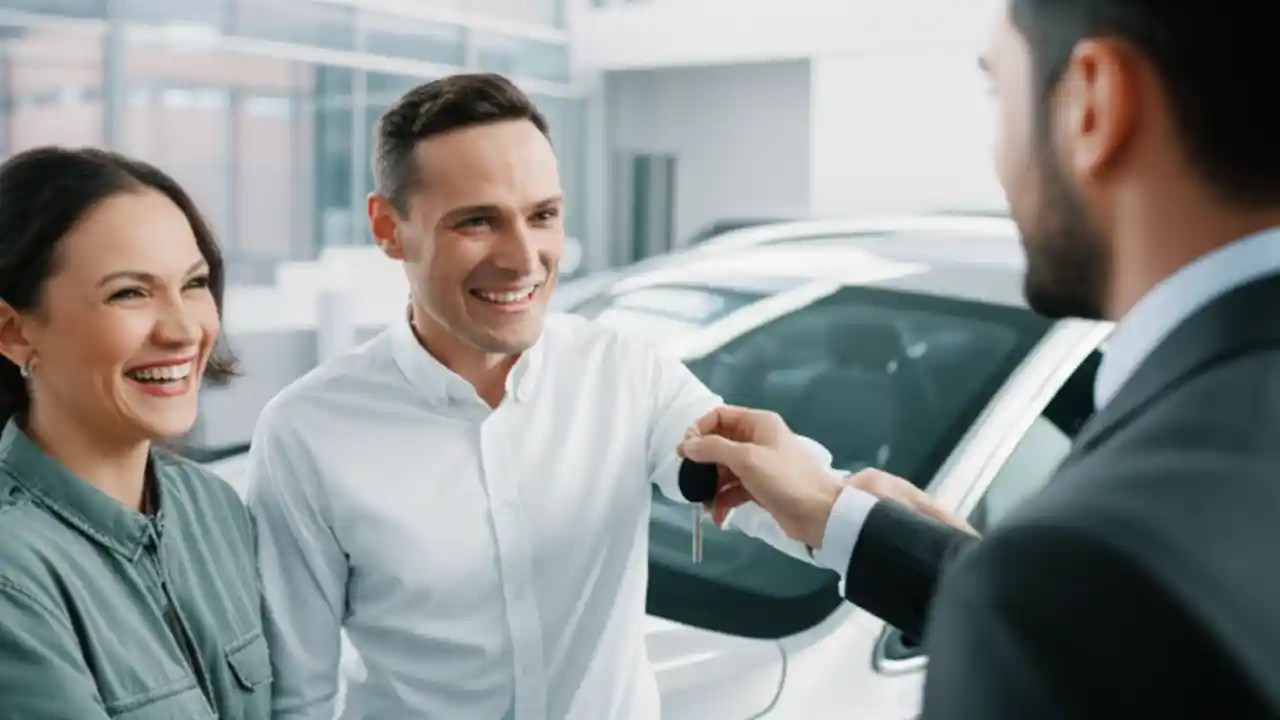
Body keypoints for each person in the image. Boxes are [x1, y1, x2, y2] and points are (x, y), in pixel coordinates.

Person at [680, 0, 1280, 717]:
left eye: (1001, 95)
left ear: (1092, 102)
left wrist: (1013, 588)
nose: (997, 158)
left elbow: (1087, 609)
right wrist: (837, 515)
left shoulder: (1081, 566)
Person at [245, 73, 832, 720]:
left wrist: (878, 521)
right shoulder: (306, 433)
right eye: (477, 222)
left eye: (543, 216)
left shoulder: (627, 375)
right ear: (388, 228)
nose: (524, 259)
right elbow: (298, 697)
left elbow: (783, 498)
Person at [0, 147, 272, 719]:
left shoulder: (212, 507)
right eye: (130, 292)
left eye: (194, 284)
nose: (182, 330)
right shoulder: (12, 573)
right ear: (13, 331)